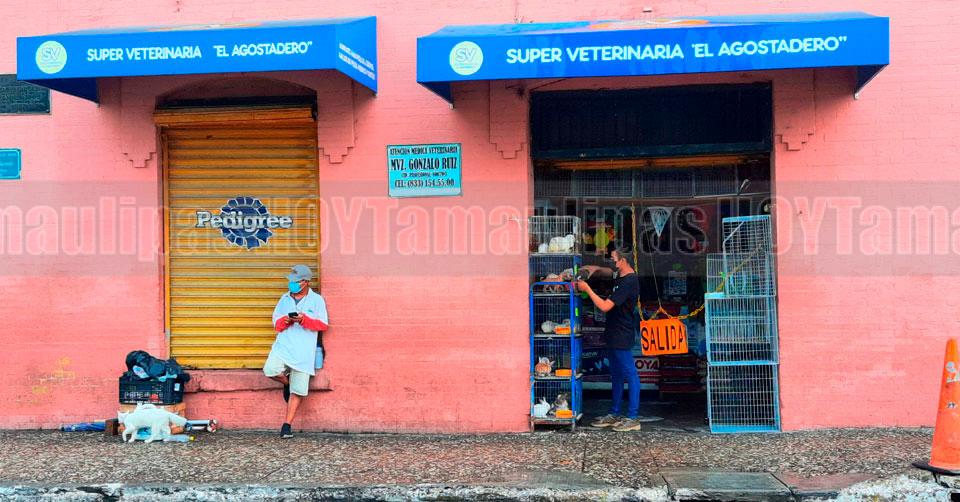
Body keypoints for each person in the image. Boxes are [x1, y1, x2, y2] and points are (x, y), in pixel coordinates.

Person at [577, 247, 643, 432]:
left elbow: (605, 306)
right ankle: (614, 412)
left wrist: (587, 289)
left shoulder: (629, 281)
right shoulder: (619, 275)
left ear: (623, 261)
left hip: (622, 333)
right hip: (613, 332)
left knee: (630, 374)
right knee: (616, 375)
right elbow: (603, 271)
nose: (612, 262)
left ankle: (633, 417)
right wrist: (591, 269)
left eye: (614, 259)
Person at [263, 264, 328, 438]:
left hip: (303, 352)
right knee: (270, 370)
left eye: (295, 281)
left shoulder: (316, 300)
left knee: (298, 391)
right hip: (283, 347)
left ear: (305, 282)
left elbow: (323, 324)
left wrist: (303, 320)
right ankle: (287, 382)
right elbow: (276, 324)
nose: (291, 284)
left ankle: (286, 426)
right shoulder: (284, 299)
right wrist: (287, 320)